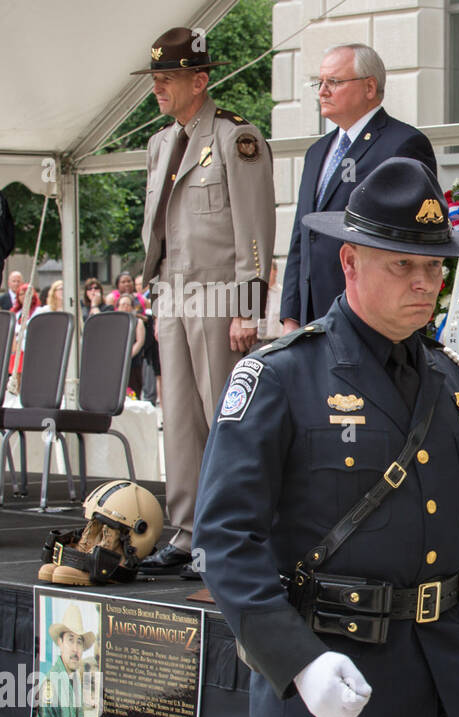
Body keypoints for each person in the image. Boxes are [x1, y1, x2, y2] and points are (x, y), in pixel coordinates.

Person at [193, 157, 459, 717]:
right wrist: (298, 662)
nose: (424, 284)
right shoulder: (282, 376)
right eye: (402, 266)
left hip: (454, 682)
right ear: (348, 261)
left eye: (436, 269)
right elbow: (226, 541)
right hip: (343, 675)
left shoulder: (455, 386)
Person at [133, 27, 275, 577]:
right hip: (172, 293)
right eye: (154, 80)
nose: (157, 90)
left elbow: (255, 232)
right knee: (182, 419)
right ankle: (189, 532)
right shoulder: (161, 143)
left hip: (219, 296)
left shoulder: (238, 138)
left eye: (166, 79)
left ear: (200, 79)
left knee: (226, 417)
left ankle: (229, 536)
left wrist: (247, 307)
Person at [280, 43, 438, 333]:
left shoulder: (402, 143)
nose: (322, 91)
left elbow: (412, 240)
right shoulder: (317, 151)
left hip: (367, 316)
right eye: (320, 82)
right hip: (311, 317)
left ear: (369, 87)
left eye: (334, 82)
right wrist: (291, 314)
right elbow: (301, 237)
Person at [32, 604, 96, 717]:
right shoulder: (51, 685)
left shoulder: (75, 681)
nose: (75, 648)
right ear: (60, 643)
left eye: (79, 641)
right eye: (70, 639)